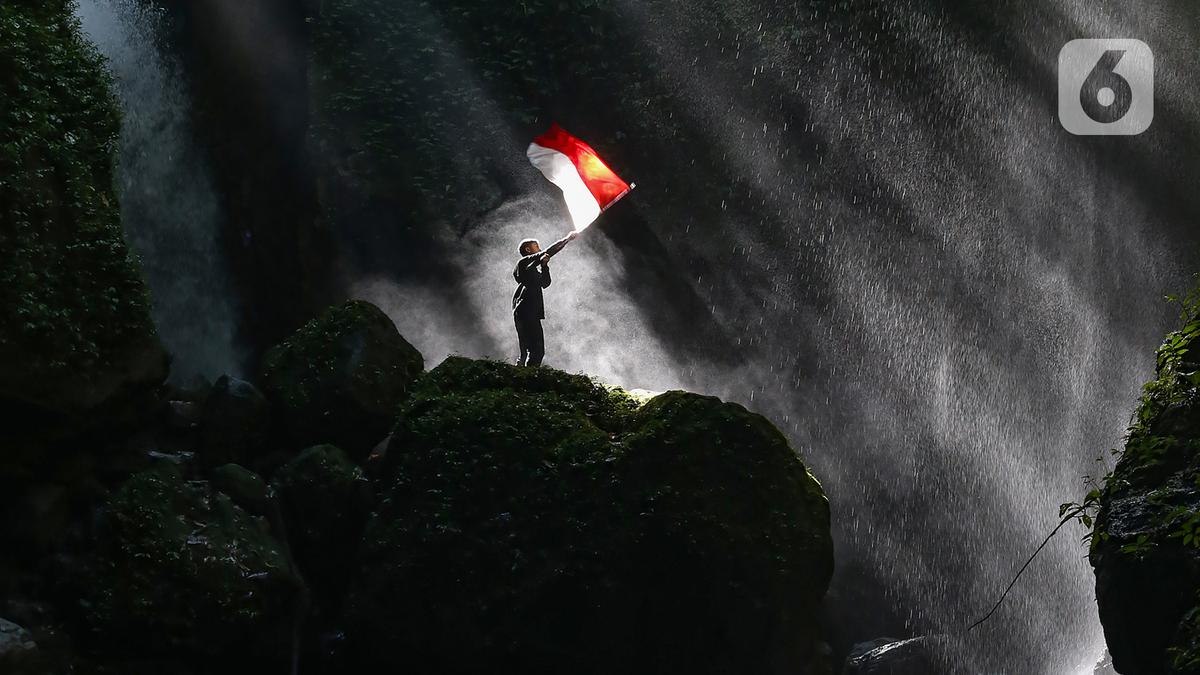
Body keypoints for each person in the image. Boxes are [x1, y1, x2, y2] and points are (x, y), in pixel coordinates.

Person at [512, 230, 579, 366]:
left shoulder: (532, 269)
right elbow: (548, 252)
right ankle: (527, 377)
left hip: (530, 312)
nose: (540, 249)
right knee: (534, 350)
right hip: (525, 310)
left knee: (532, 349)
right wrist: (567, 239)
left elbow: (545, 283)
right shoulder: (523, 263)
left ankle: (524, 373)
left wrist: (544, 266)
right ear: (528, 249)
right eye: (536, 247)